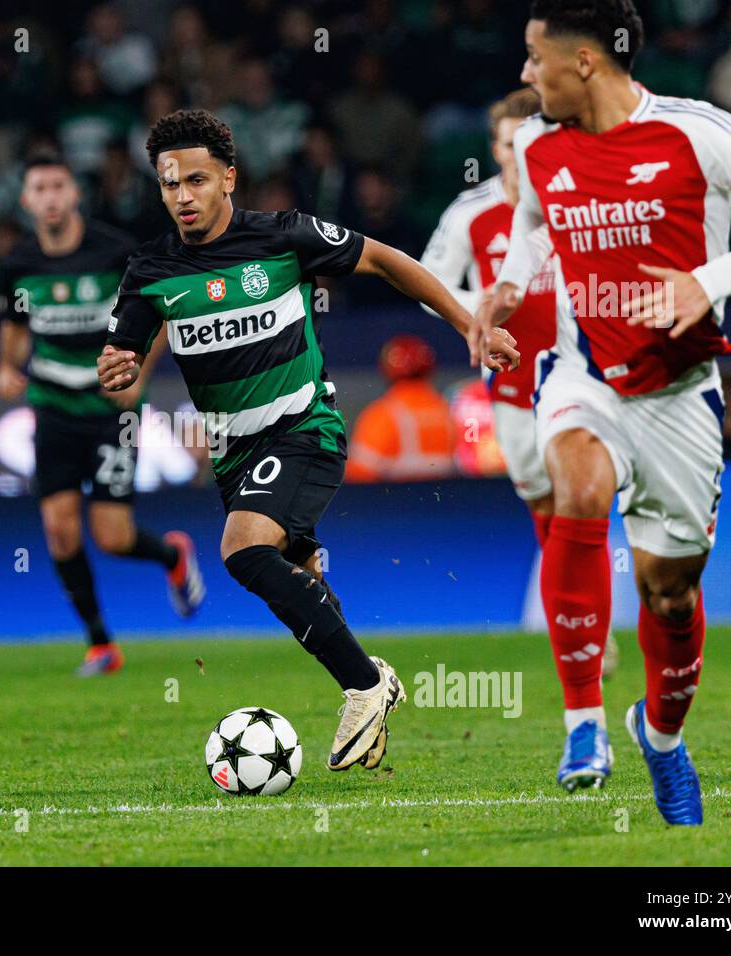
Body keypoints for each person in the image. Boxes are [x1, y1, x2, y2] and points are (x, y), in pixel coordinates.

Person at [471, 0, 731, 824]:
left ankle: (659, 737)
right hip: (582, 371)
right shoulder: (539, 144)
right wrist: (515, 282)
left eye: (534, 58)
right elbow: (532, 222)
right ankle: (582, 722)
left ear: (585, 61)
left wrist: (710, 280)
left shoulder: (698, 133)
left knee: (669, 594)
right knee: (579, 486)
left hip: (680, 394)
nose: (525, 76)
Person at [101, 109, 520, 773]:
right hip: (234, 456)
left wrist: (469, 324)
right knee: (298, 581)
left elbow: (385, 260)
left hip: (305, 431)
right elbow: (123, 355)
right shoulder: (151, 270)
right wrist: (116, 366)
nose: (182, 195)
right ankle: (367, 682)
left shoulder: (285, 237)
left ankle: (365, 685)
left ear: (229, 179)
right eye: (169, 183)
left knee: (241, 549)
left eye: (197, 180)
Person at [423, 89, 621, 778]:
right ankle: (584, 621)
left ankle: (588, 628)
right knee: (548, 506)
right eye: (504, 146)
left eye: (522, 143)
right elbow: (430, 281)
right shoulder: (471, 212)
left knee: (580, 497)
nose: (513, 158)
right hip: (510, 391)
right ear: (494, 148)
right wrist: (476, 314)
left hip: (586, 377)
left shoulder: (577, 197)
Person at [0, 151, 205, 676]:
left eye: (58, 186)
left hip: (108, 408)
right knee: (60, 531)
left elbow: (157, 312)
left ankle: (173, 556)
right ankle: (99, 643)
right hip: (51, 407)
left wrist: (137, 373)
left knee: (112, 536)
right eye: (38, 188)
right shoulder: (19, 264)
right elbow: (17, 327)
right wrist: (5, 367)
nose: (49, 197)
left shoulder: (115, 253)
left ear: (75, 195)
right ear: (26, 200)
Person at [346, 335, 456, 482]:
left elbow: (358, 473)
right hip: (446, 500)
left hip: (395, 501)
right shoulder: (449, 411)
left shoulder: (384, 415)